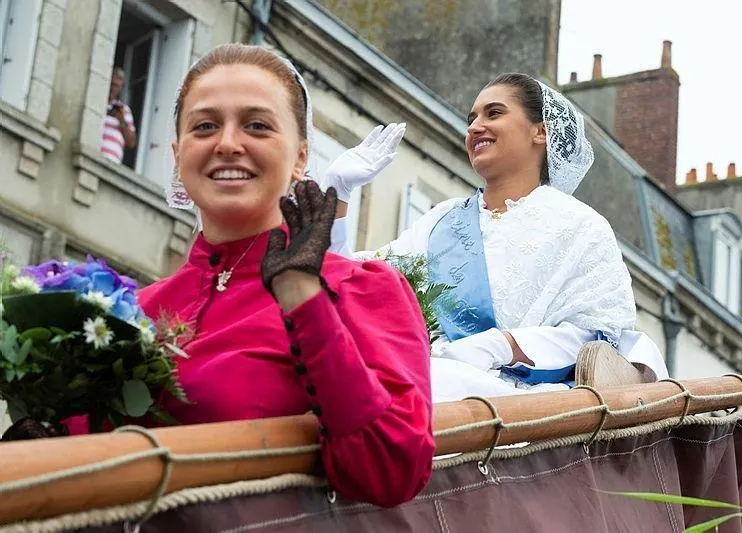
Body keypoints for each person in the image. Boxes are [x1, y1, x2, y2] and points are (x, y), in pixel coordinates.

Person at [5, 44, 435, 508]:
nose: (228, 143)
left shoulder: (359, 288)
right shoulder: (132, 309)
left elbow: (392, 473)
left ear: (300, 157)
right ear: (177, 153)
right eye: (205, 126)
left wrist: (305, 301)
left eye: (257, 125)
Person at [325, 73, 668, 402]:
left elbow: (596, 338)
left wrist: (501, 346)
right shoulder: (441, 220)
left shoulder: (581, 225)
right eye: (471, 118)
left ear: (541, 132)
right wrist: (336, 194)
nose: (475, 126)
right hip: (423, 373)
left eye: (494, 113)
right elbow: (351, 284)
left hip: (518, 398)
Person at [101, 67, 138, 164]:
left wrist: (121, 120)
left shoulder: (124, 110)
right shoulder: (98, 103)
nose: (113, 88)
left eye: (117, 86)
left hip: (113, 161)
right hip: (94, 155)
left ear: (121, 88)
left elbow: (131, 142)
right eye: (112, 84)